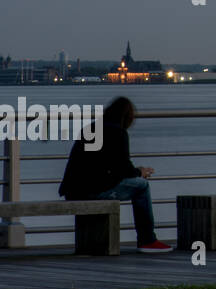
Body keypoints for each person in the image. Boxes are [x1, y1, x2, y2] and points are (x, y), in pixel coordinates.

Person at [59, 96, 173, 253]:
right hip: (93, 190)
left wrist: (133, 171)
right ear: (127, 118)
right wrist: (140, 172)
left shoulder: (92, 128)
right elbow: (123, 168)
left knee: (135, 183)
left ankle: (98, 243)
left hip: (73, 191)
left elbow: (109, 166)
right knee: (142, 186)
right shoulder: (118, 132)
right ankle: (147, 239)